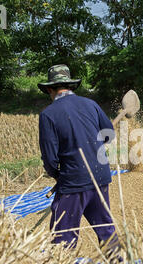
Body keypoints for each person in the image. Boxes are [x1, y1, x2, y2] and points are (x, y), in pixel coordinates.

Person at [37, 64, 119, 254]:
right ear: (70, 86)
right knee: (106, 229)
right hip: (100, 177)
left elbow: (50, 157)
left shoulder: (48, 114)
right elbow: (109, 135)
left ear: (50, 89)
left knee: (62, 237)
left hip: (73, 181)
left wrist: (57, 175)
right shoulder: (91, 104)